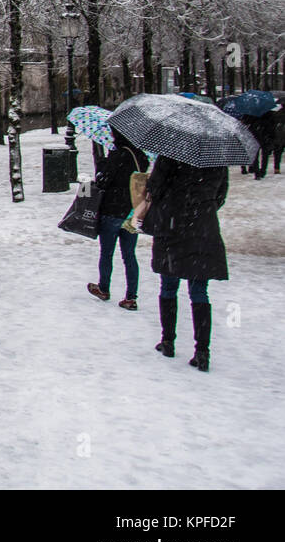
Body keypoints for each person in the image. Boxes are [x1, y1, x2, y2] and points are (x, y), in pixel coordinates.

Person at [131, 155, 230, 372]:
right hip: (203, 226)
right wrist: (201, 206)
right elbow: (220, 195)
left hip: (171, 225)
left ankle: (168, 341)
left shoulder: (171, 154)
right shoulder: (216, 158)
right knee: (199, 291)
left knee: (168, 286)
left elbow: (154, 189)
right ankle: (202, 351)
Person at [87, 132, 149, 310]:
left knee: (107, 252)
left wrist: (102, 164)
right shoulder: (141, 157)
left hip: (113, 210)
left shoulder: (117, 155)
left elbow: (103, 181)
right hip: (133, 211)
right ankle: (131, 296)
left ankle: (104, 288)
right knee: (129, 255)